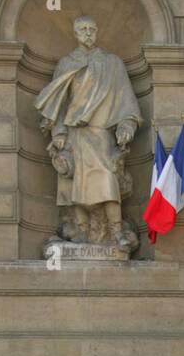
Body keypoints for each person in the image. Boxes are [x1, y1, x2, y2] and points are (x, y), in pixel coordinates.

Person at [35, 15, 141, 249]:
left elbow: (126, 99)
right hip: (74, 134)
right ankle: (82, 232)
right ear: (75, 33)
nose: (88, 33)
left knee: (107, 179)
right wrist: (59, 135)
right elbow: (59, 103)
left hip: (101, 133)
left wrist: (127, 124)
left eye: (92, 28)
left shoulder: (112, 63)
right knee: (74, 185)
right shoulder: (66, 64)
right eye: (83, 29)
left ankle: (116, 231)